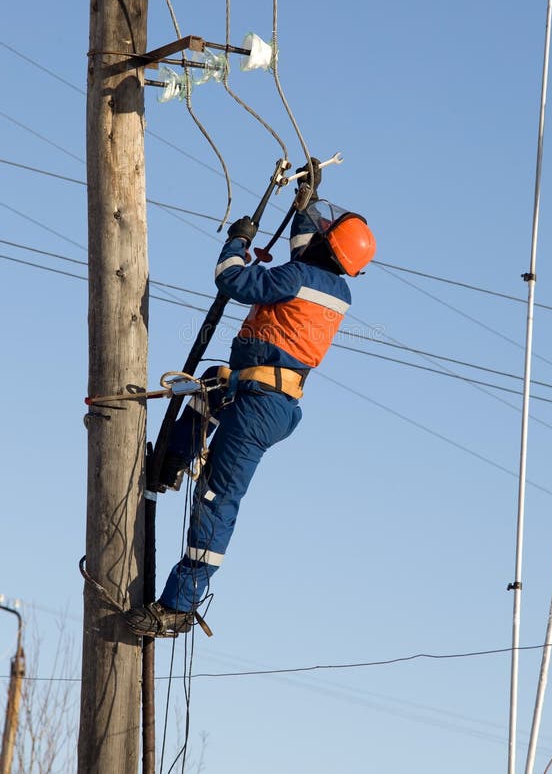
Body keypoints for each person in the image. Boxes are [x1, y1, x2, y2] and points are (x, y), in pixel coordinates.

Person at [124, 160, 376, 637]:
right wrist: (303, 202)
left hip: (260, 405)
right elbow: (307, 248)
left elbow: (231, 280)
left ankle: (179, 605)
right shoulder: (330, 285)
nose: (314, 231)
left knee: (218, 499)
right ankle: (171, 463)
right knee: (207, 388)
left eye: (321, 228)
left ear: (326, 246)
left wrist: (238, 241)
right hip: (260, 395)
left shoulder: (298, 278)